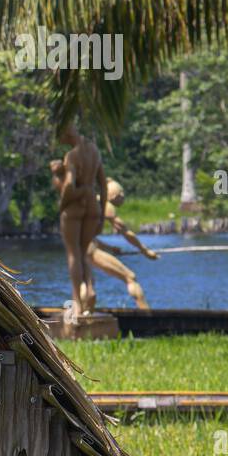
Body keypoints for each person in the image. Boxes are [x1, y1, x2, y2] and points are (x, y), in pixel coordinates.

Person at [49, 121, 107, 316]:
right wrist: (103, 214)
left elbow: (69, 187)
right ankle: (90, 289)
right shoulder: (94, 150)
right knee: (85, 253)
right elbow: (104, 186)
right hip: (93, 206)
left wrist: (62, 204)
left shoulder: (72, 156)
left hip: (75, 207)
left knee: (73, 253)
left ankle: (77, 302)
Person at [88, 179, 159, 309]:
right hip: (90, 252)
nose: (123, 198)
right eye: (122, 194)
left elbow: (88, 237)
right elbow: (125, 232)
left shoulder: (92, 203)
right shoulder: (106, 205)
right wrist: (145, 251)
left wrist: (110, 248)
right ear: (115, 196)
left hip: (79, 251)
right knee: (130, 277)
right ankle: (146, 315)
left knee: (88, 288)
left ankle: (84, 320)